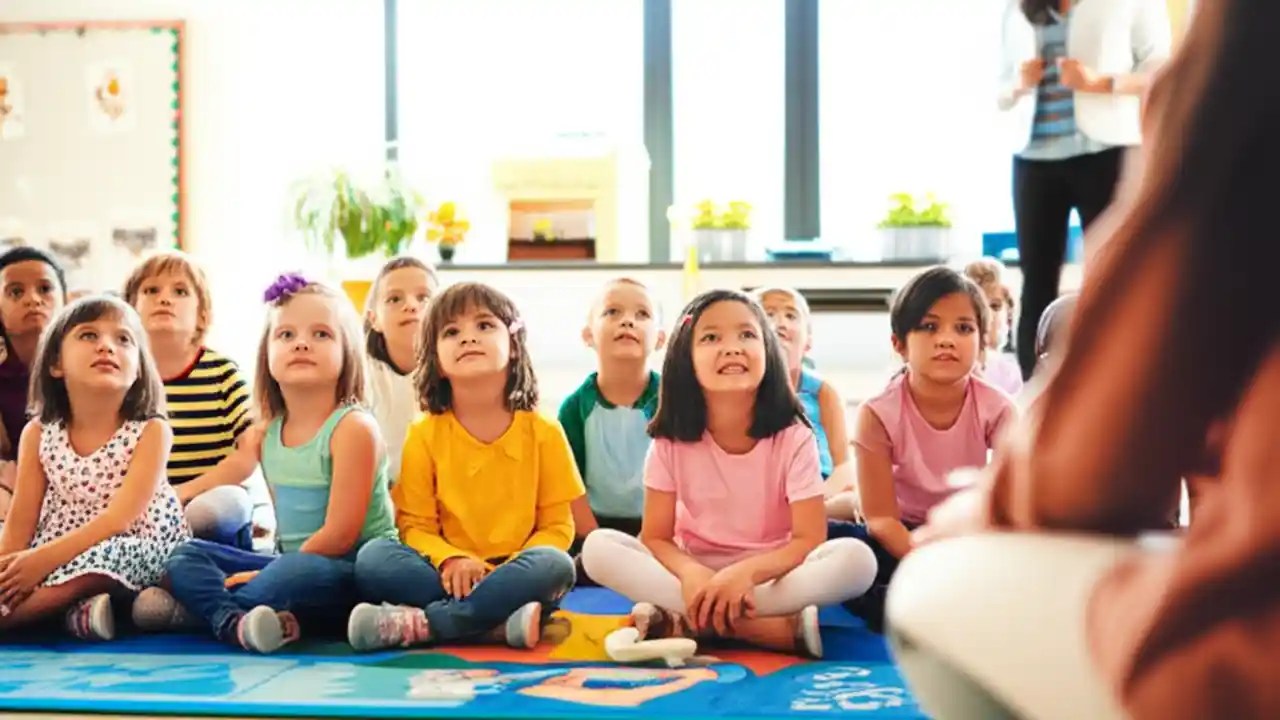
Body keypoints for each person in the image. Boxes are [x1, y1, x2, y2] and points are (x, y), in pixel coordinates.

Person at [889, 3, 1280, 716]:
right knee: (1049, 282)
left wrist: (995, 504)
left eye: (965, 326)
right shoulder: (1022, 15)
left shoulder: (1239, 40)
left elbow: (1091, 471)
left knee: (931, 578)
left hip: (1257, 659)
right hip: (1038, 151)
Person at [582, 289, 877, 657]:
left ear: (768, 351)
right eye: (711, 337)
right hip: (693, 571)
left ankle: (694, 619)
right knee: (598, 549)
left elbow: (808, 538)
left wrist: (745, 575)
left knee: (857, 560)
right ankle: (761, 627)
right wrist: (692, 574)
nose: (732, 348)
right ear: (685, 359)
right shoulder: (669, 441)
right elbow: (656, 536)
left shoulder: (794, 436)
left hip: (769, 576)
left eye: (747, 334)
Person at [143, 275, 397, 654]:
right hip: (286, 564)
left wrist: (265, 572)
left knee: (293, 573)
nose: (301, 343)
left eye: (321, 334)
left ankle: (204, 612)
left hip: (343, 571)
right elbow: (240, 480)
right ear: (267, 355)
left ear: (348, 352)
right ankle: (235, 621)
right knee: (185, 555)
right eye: (286, 334)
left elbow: (341, 535)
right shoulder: (267, 432)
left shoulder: (353, 428)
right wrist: (176, 496)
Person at [348, 282, 581, 652]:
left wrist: (506, 572)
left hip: (518, 574)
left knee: (555, 565)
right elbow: (415, 526)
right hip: (445, 574)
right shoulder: (424, 433)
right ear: (435, 359)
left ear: (514, 345)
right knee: (373, 558)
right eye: (452, 332)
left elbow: (557, 526)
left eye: (484, 325)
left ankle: (430, 624)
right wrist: (452, 560)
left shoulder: (546, 431)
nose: (468, 338)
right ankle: (491, 624)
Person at [999, 0, 1171, 378]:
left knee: (1111, 274)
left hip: (1106, 152)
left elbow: (1161, 70)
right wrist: (1019, 84)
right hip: (1034, 158)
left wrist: (1100, 82)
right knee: (1037, 278)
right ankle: (1034, 390)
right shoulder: (1017, 8)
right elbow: (1000, 89)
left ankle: (1116, 380)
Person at [838, 268, 1015, 632]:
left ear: (982, 342)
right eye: (929, 327)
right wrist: (925, 561)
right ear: (899, 344)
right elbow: (880, 519)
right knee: (844, 549)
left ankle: (923, 607)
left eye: (963, 328)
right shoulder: (877, 413)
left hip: (964, 535)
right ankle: (923, 606)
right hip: (898, 537)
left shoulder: (998, 408)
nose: (946, 340)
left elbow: (1010, 503)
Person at [0, 296, 188, 639]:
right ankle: (74, 613)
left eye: (123, 339)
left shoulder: (151, 431)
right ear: (56, 363)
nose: (106, 346)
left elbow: (119, 521)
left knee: (101, 560)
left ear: (138, 369)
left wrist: (40, 561)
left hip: (135, 546)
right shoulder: (38, 433)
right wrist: (8, 571)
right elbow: (21, 521)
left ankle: (14, 621)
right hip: (59, 544)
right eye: (89, 335)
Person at [123, 251, 256, 547]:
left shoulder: (223, 373)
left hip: (207, 499)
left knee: (215, 509)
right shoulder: (122, 378)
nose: (164, 299)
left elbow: (249, 454)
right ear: (129, 311)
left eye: (180, 291)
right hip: (139, 506)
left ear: (202, 316)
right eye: (151, 290)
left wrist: (182, 494)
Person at [560, 278, 664, 575]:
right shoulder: (575, 408)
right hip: (593, 529)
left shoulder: (674, 402)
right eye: (612, 312)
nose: (628, 321)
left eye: (642, 314)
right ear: (588, 335)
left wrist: (652, 538)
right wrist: (595, 540)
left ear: (660, 338)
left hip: (660, 530)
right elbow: (569, 487)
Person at [751, 287, 858, 520]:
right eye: (769, 314)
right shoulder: (740, 390)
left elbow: (843, 466)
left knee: (853, 502)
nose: (780, 323)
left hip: (821, 495)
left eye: (791, 315)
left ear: (808, 341)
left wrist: (816, 500)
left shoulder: (823, 392)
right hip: (763, 496)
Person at [0, 247, 68, 520]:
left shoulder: (91, 363)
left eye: (45, 289)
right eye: (16, 292)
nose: (33, 300)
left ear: (66, 301)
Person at [363, 256, 438, 483]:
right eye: (394, 299)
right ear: (374, 319)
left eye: (424, 298)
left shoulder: (457, 373)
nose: (411, 306)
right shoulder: (361, 374)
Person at [962, 258, 1023, 397]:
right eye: (977, 307)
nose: (987, 316)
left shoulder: (1011, 374)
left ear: (1009, 316)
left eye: (995, 306)